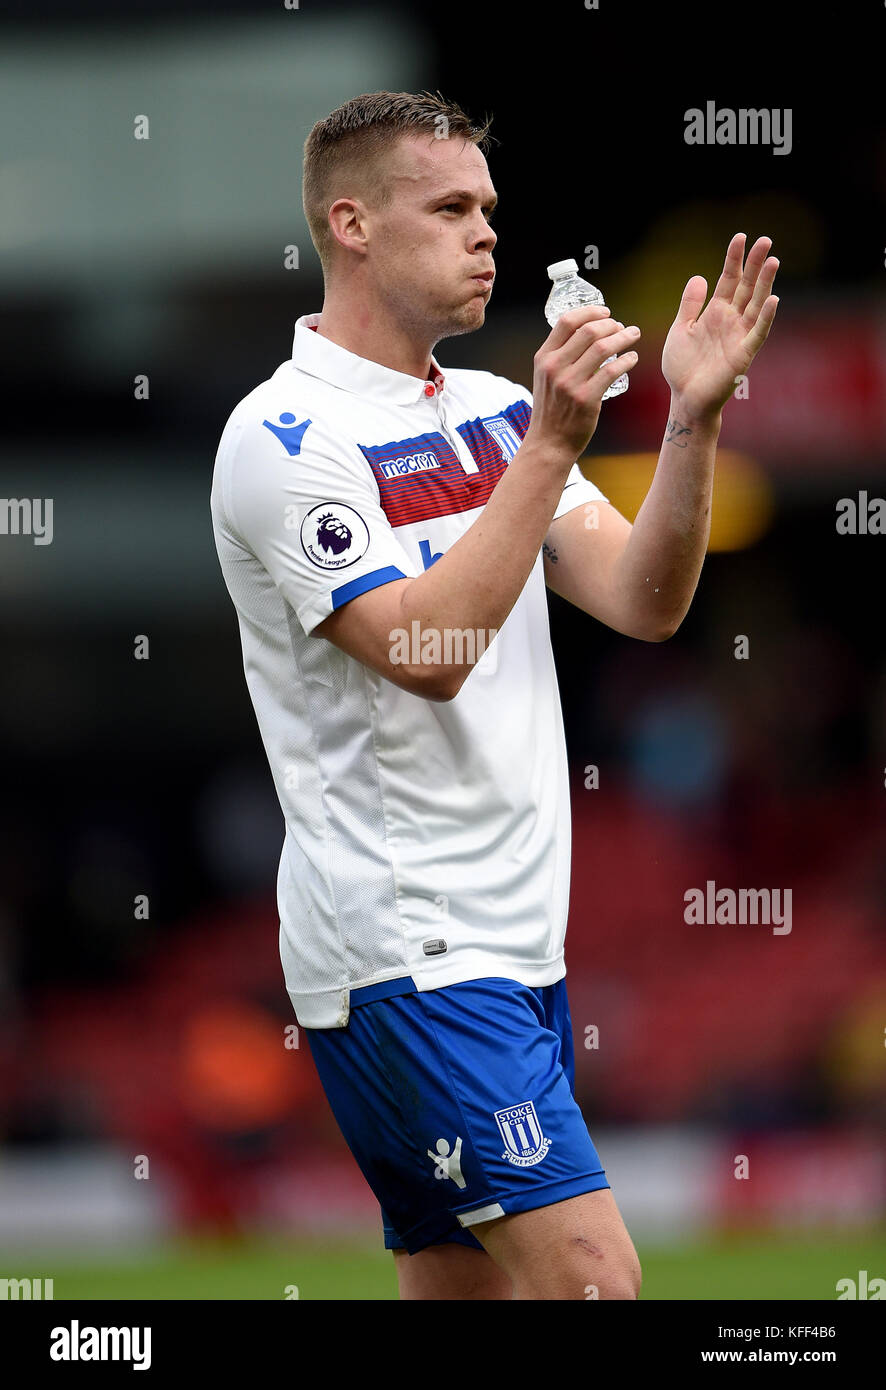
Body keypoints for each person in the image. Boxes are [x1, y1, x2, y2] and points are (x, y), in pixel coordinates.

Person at [210, 89, 779, 1299]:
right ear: (351, 224)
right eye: (452, 207)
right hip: (407, 944)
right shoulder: (282, 435)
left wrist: (689, 419)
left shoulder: (493, 412)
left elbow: (644, 599)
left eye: (491, 209)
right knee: (593, 1282)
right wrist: (552, 448)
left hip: (513, 946)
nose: (486, 235)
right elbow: (425, 649)